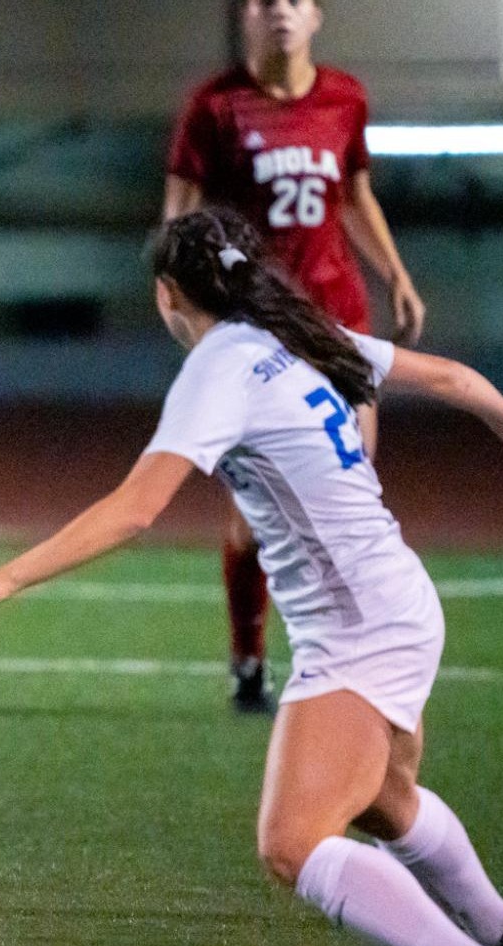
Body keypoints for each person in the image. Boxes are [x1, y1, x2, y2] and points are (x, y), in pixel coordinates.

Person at [0, 208, 503, 946]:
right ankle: (500, 928)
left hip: (360, 627)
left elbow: (137, 509)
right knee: (384, 795)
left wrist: (7, 574)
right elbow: (447, 377)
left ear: (169, 294)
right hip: (396, 597)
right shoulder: (293, 334)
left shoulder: (220, 366)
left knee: (291, 842)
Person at [165, 0, 426, 712]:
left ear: (317, 16)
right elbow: (179, 211)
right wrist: (181, 295)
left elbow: (354, 198)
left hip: (337, 323)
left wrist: (396, 275)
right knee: (255, 514)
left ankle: (351, 655)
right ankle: (248, 661)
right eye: (261, 0)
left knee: (350, 489)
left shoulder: (346, 98)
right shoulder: (213, 107)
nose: (278, 8)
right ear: (244, 18)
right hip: (255, 327)